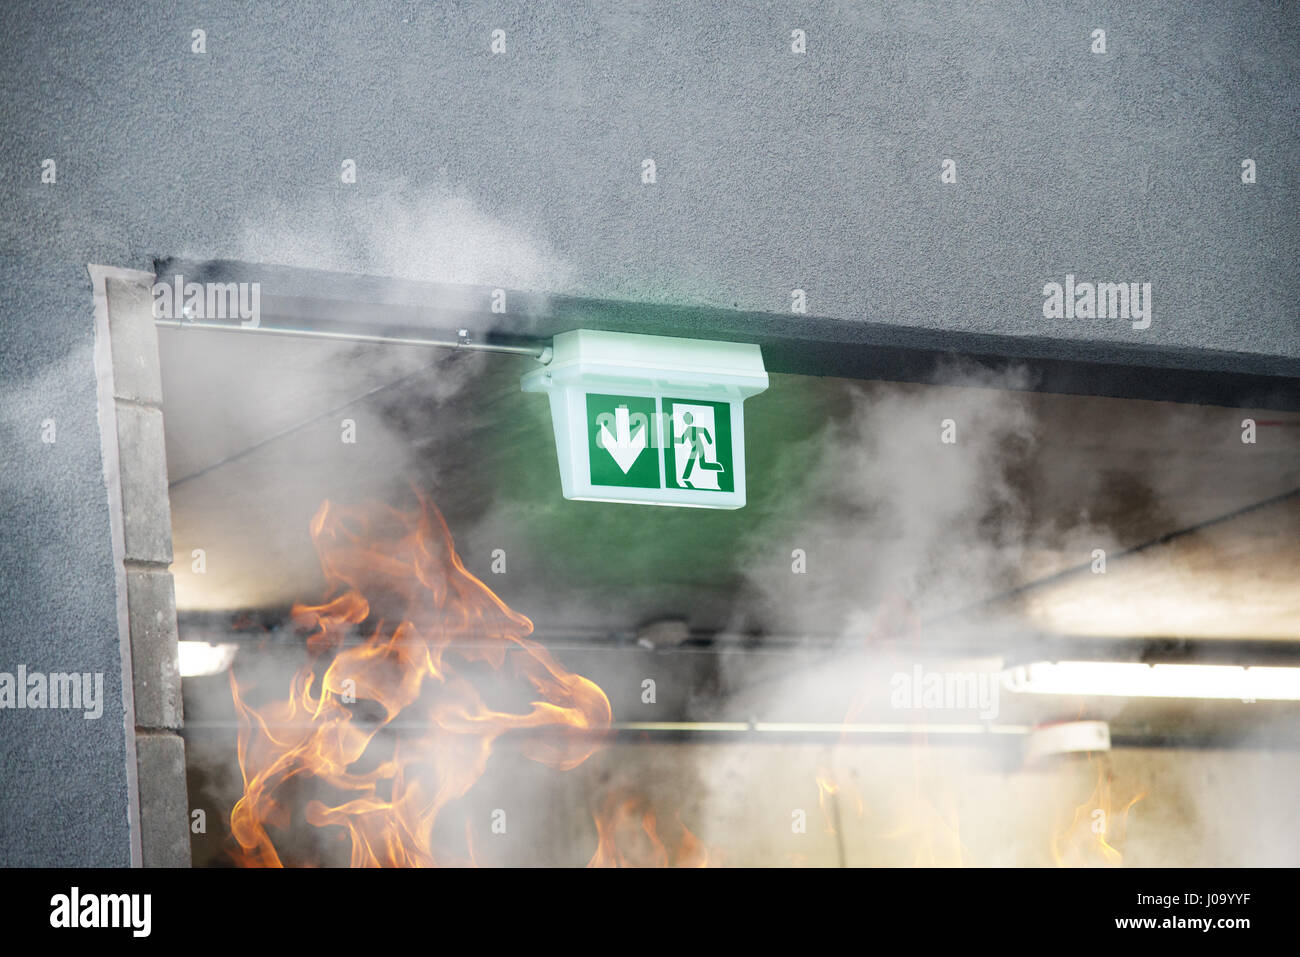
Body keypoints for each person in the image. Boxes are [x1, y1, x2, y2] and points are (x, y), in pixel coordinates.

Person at [679, 411, 724, 487]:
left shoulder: (692, 429)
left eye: (688, 418)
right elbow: (682, 440)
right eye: (686, 419)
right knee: (702, 465)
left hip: (699, 447)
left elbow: (704, 430)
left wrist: (709, 440)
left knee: (697, 463)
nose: (687, 420)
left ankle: (685, 477)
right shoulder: (688, 430)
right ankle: (718, 467)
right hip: (695, 448)